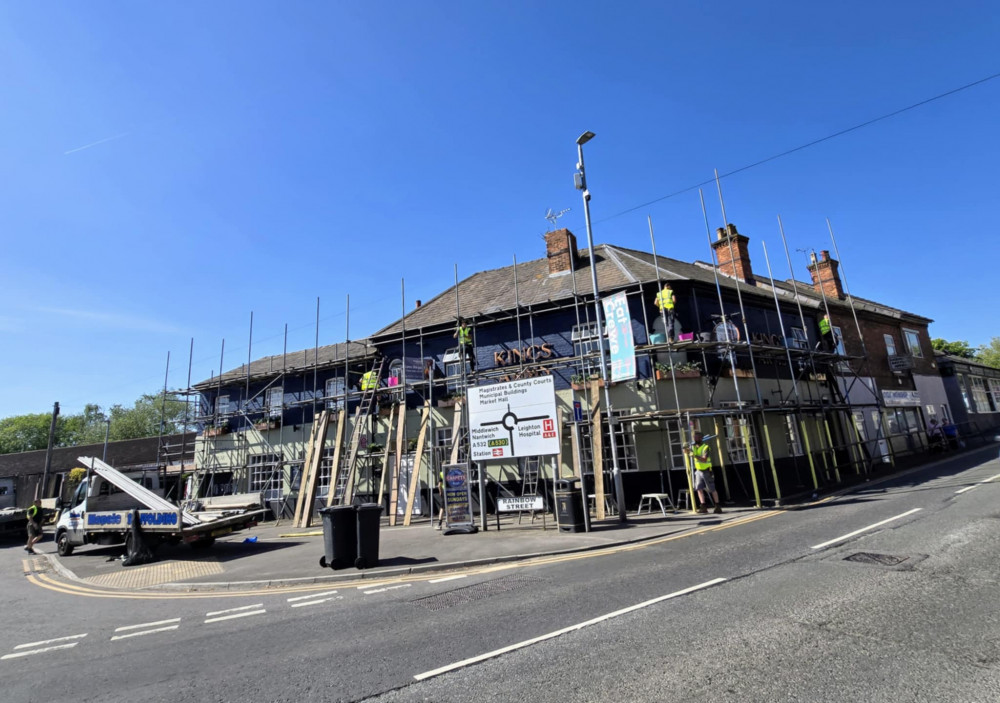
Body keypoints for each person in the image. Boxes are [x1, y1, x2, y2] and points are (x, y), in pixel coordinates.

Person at [683, 432, 723, 514]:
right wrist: (685, 447)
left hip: (707, 470)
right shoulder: (693, 447)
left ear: (701, 438)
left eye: (697, 438)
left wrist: (694, 455)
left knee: (712, 489)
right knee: (699, 489)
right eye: (694, 438)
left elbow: (704, 459)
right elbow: (686, 451)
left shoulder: (706, 447)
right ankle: (703, 506)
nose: (695, 439)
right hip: (698, 471)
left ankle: (717, 506)